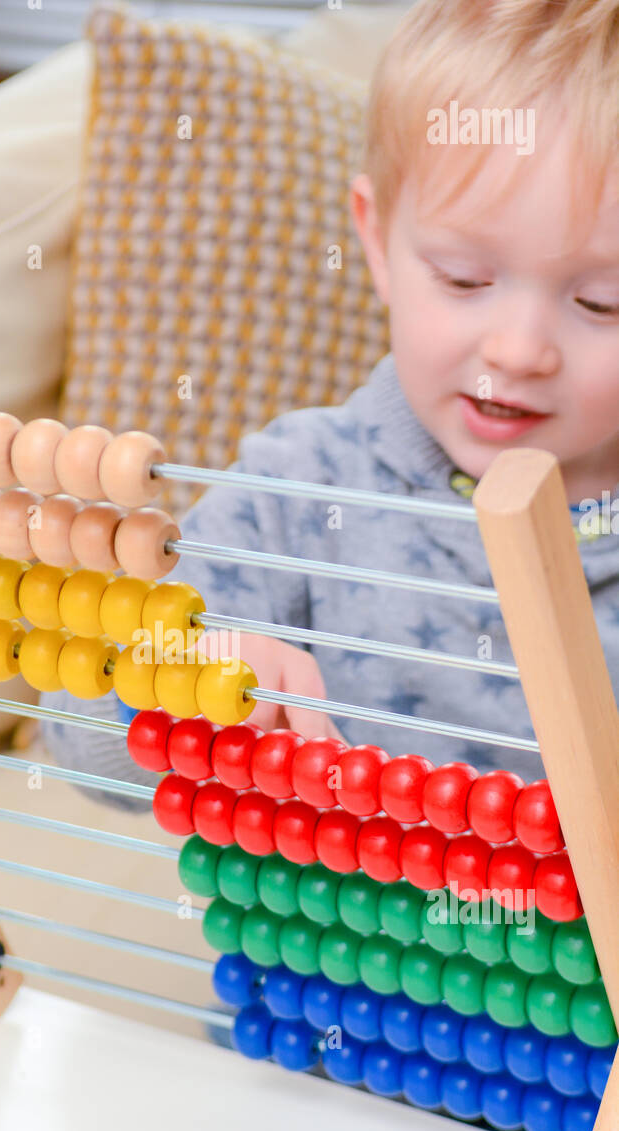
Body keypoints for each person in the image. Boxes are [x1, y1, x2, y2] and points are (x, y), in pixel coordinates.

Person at [37, 0, 619, 807]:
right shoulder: (301, 492)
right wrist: (193, 676)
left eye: (600, 303)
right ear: (376, 242)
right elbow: (82, 743)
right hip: (313, 934)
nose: (519, 350)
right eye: (463, 278)